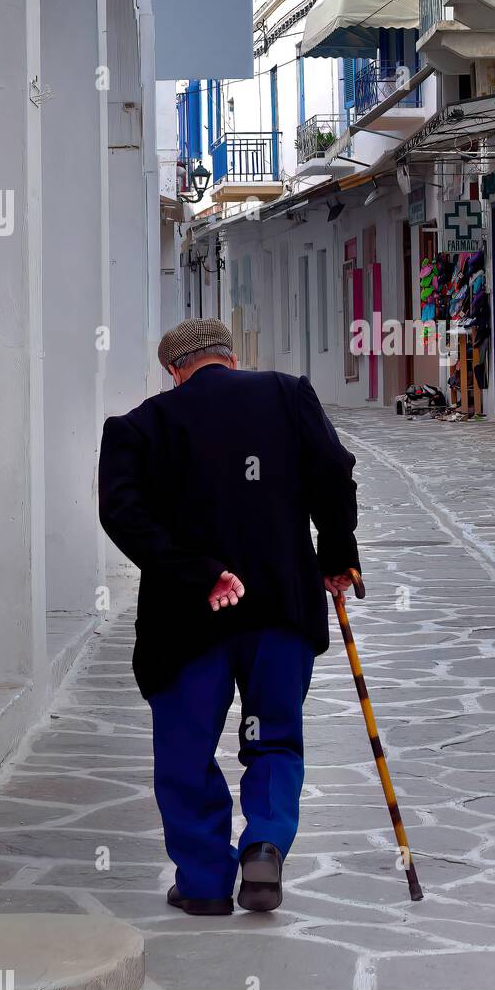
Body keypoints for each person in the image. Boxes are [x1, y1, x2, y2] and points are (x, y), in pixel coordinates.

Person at [98, 318, 361, 915]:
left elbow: (122, 513)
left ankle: (204, 883)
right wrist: (337, 554)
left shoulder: (139, 427)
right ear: (233, 358)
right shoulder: (287, 394)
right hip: (279, 607)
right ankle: (264, 843)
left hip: (188, 616)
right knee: (273, 739)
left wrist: (198, 570)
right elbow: (333, 475)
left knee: (186, 753)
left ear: (173, 370)